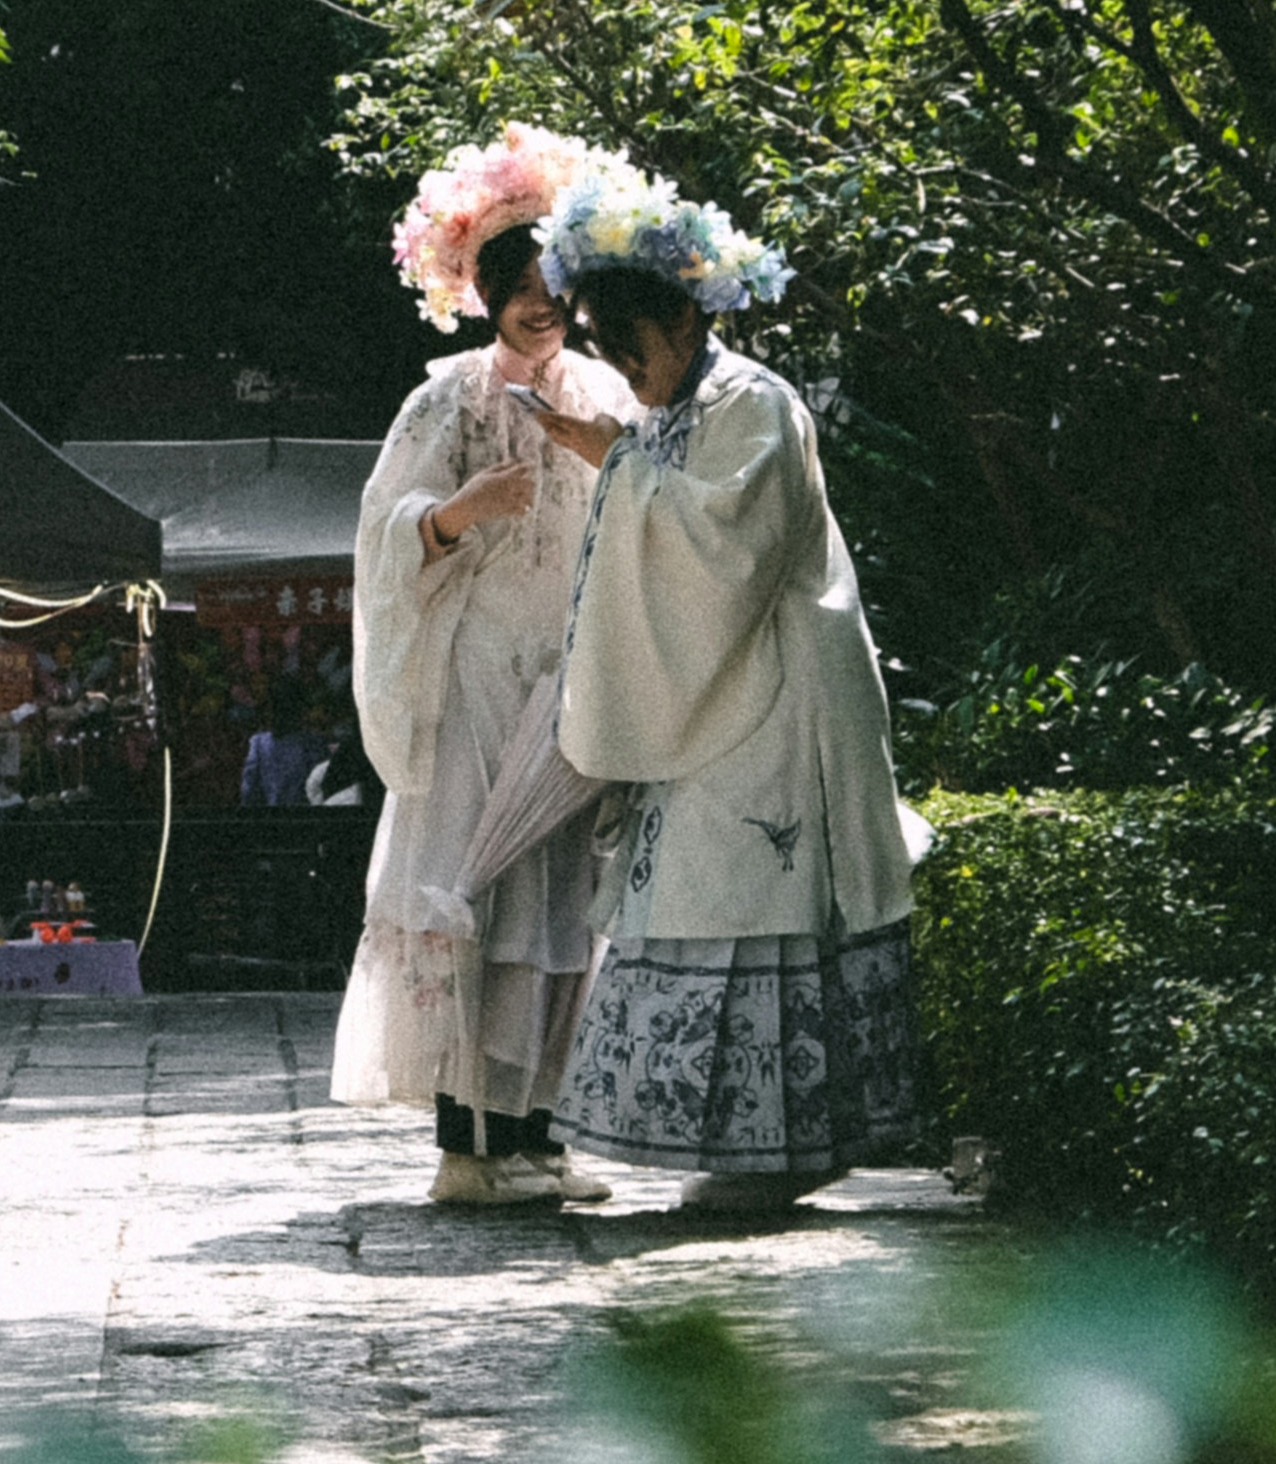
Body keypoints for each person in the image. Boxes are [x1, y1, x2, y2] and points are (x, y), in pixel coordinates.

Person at [532, 161, 928, 1212]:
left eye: (634, 348)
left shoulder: (751, 401)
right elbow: (668, 518)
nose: (627, 372)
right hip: (721, 693)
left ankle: (783, 1147)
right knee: (717, 894)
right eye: (610, 356)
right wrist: (622, 458)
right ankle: (761, 1144)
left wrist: (620, 464)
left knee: (762, 896)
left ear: (681, 316)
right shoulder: (686, 409)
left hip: (772, 689)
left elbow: (725, 551)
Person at [334, 126, 647, 1205]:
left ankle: (537, 1136)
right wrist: (457, 515)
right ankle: (465, 1148)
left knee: (559, 899)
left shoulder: (604, 395)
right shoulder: (446, 399)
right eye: (516, 285)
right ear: (481, 292)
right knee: (477, 889)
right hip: (473, 671)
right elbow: (383, 528)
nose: (537, 304)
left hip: (567, 670)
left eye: (552, 282)